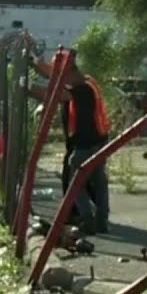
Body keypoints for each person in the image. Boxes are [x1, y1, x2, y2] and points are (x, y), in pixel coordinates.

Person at [30, 55, 112, 234]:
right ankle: (101, 221)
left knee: (75, 180)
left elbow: (57, 94)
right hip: (98, 141)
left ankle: (86, 218)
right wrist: (36, 62)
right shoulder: (87, 82)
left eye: (63, 76)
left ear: (70, 72)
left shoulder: (82, 89)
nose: (62, 80)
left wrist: (28, 87)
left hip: (87, 145)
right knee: (99, 181)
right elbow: (54, 77)